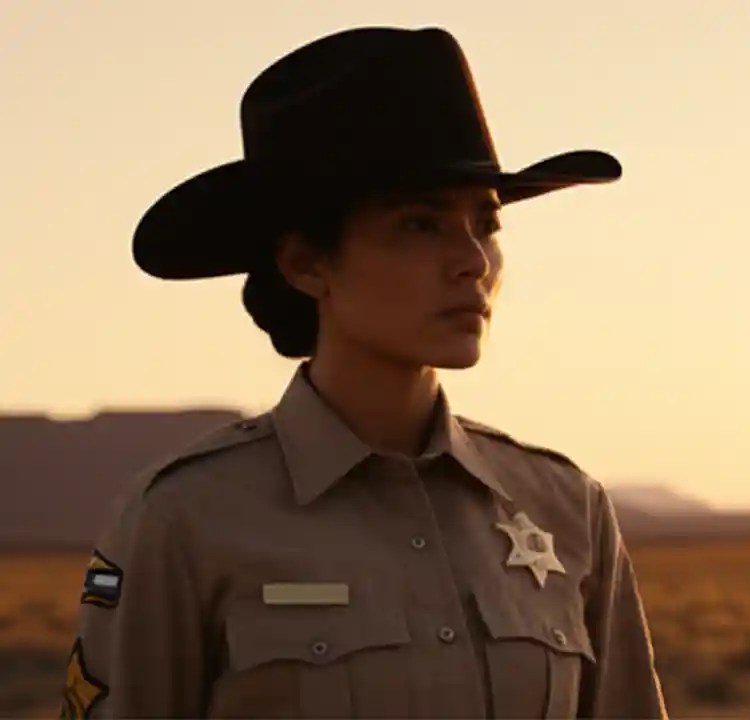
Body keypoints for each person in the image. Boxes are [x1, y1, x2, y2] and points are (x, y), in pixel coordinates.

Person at [59, 26, 667, 719]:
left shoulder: (566, 509)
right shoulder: (186, 520)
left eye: (486, 225)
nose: (472, 260)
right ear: (306, 264)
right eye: (419, 225)